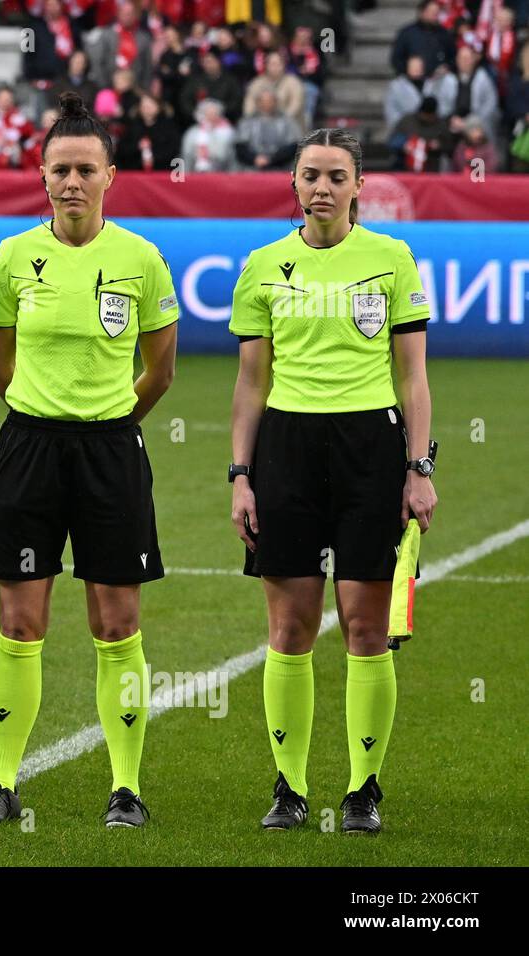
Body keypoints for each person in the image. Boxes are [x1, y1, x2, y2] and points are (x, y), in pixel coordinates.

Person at [0, 91, 178, 828]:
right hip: (29, 447)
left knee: (116, 624)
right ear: (43, 175)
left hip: (111, 451)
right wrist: (43, 414)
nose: (72, 182)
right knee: (20, 623)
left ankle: (126, 788)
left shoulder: (142, 260)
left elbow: (159, 370)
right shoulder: (13, 259)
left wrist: (111, 421)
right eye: (61, 169)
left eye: (87, 168)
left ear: (111, 175)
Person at [228, 127, 436, 835]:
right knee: (287, 627)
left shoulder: (391, 258)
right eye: (310, 175)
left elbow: (413, 377)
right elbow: (251, 383)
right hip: (286, 448)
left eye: (335, 176)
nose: (322, 187)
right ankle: (288, 790)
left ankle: (361, 791)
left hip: (370, 450)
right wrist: (241, 476)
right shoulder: (263, 265)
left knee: (365, 626)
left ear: (358, 187)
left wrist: (418, 468)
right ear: (293, 182)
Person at [113, 93, 180, 170]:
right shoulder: (132, 126)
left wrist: (153, 156)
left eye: (150, 105)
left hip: (162, 170)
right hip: (135, 171)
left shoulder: (168, 126)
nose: (147, 108)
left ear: (158, 107)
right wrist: (137, 146)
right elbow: (122, 149)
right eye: (144, 106)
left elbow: (173, 149)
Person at [236, 89, 300, 170]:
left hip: (281, 167)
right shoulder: (246, 122)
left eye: (270, 101)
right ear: (257, 103)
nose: (266, 104)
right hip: (252, 168)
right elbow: (241, 147)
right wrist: (255, 158)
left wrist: (271, 159)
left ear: (276, 102)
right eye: (262, 101)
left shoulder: (287, 122)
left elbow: (292, 146)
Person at [391, 0, 457, 75]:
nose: (435, 15)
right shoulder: (407, 33)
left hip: (438, 79)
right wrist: (409, 69)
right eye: (431, 11)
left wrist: (446, 67)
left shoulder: (444, 34)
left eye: (437, 12)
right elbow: (396, 59)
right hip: (411, 79)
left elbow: (453, 57)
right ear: (421, 12)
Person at [181, 97, 236, 171]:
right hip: (194, 172)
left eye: (215, 113)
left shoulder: (228, 132)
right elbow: (186, 155)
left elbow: (229, 156)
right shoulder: (192, 132)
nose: (212, 117)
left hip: (221, 173)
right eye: (209, 113)